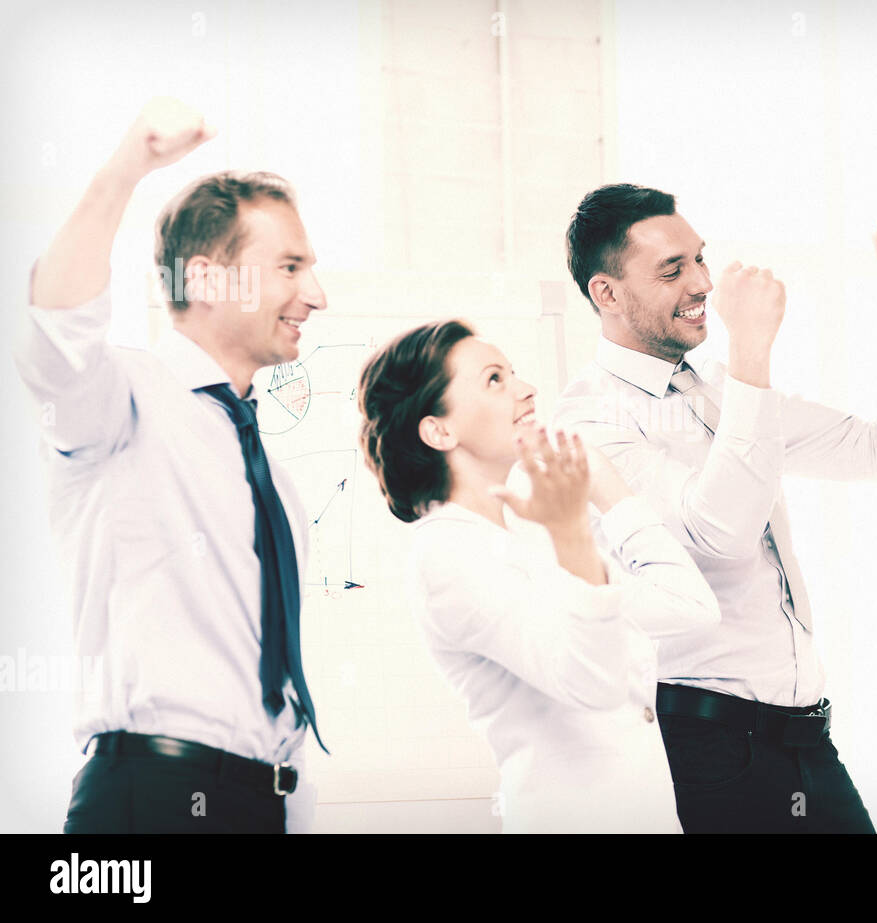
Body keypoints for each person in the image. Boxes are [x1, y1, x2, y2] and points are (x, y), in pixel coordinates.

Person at [552, 183, 877, 833]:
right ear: (607, 293)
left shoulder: (721, 391)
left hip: (806, 739)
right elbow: (719, 533)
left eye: (700, 258)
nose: (704, 282)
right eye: (672, 269)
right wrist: (751, 351)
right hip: (708, 747)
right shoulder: (590, 419)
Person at [14, 98, 329, 833]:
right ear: (209, 278)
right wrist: (126, 170)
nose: (316, 296)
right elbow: (56, 329)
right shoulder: (120, 401)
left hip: (262, 803)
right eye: (289, 266)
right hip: (151, 798)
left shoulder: (273, 478)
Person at [356, 321, 720, 833]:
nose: (525, 389)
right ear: (439, 430)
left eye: (513, 373)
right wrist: (571, 530)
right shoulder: (444, 554)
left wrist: (606, 486)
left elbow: (691, 607)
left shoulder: (531, 533)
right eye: (493, 380)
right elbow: (593, 684)